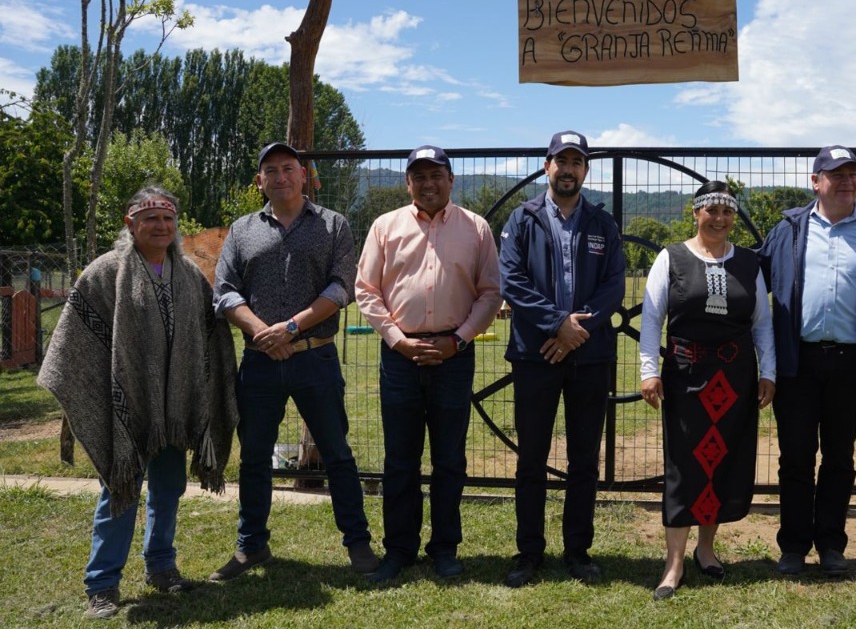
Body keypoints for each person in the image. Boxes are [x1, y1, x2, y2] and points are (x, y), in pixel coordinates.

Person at [38, 187, 238, 619]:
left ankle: (161, 566)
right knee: (119, 490)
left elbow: (208, 337)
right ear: (131, 224)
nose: (160, 227)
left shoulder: (188, 276)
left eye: (167, 220)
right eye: (150, 220)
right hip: (123, 403)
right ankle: (103, 584)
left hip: (175, 407)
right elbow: (76, 340)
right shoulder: (104, 273)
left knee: (168, 489)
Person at [211, 142, 378, 580]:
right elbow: (225, 292)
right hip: (259, 363)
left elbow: (341, 287)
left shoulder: (333, 225)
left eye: (289, 168)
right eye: (271, 170)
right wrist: (261, 333)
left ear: (303, 176)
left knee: (337, 454)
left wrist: (289, 329)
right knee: (253, 458)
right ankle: (251, 547)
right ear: (259, 180)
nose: (281, 176)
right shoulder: (242, 229)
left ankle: (358, 544)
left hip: (314, 358)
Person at [355, 145, 502, 583]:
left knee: (449, 459)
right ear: (408, 184)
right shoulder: (385, 226)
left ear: (451, 180)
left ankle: (444, 549)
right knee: (400, 458)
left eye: (436, 175)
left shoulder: (475, 228)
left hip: (453, 354)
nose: (428, 183)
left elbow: (490, 292)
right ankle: (399, 549)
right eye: (418, 176)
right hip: (400, 355)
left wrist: (458, 340)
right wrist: (398, 341)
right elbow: (366, 290)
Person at [759, 145, 856, 577]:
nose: (845, 181)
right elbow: (759, 278)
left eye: (851, 174)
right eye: (834, 174)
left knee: (840, 456)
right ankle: (794, 547)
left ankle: (832, 545)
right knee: (796, 457)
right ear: (815, 181)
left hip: (852, 361)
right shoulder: (788, 229)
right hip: (797, 361)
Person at [498, 130, 626, 588]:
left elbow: (614, 285)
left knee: (584, 460)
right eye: (561, 161)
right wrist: (557, 325)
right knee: (530, 458)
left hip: (588, 358)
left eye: (577, 162)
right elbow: (511, 280)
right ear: (546, 166)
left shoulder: (602, 223)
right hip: (537, 356)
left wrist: (578, 331)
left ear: (585, 170)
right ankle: (528, 552)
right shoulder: (523, 218)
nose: (568, 169)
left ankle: (578, 550)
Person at [639, 181, 777, 599]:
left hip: (734, 376)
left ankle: (707, 550)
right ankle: (673, 564)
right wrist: (649, 370)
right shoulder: (672, 258)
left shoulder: (749, 263)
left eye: (727, 212)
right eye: (711, 210)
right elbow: (651, 318)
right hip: (685, 374)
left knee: (720, 459)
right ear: (695, 213)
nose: (719, 219)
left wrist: (768, 370)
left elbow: (762, 323)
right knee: (686, 463)